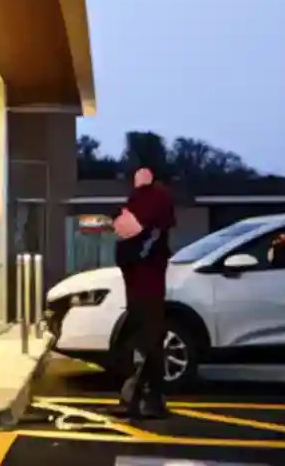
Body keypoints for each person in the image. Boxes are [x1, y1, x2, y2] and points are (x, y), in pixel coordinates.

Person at [112, 166, 176, 419]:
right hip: (145, 285)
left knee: (146, 340)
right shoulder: (154, 216)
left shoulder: (148, 214)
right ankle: (145, 398)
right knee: (147, 339)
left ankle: (141, 397)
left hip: (144, 287)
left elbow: (133, 241)